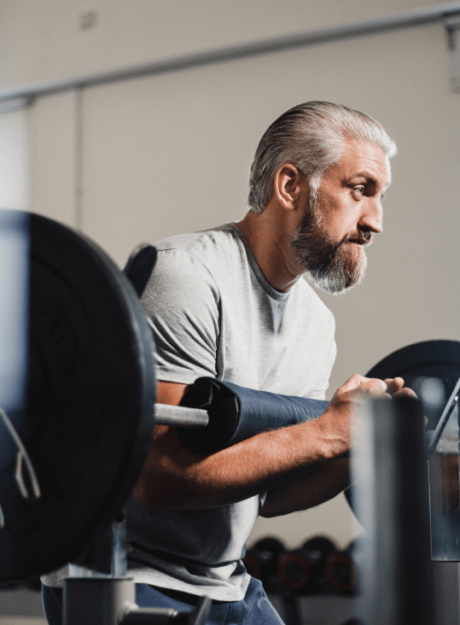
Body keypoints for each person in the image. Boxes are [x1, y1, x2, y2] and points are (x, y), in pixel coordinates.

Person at [42, 101, 409, 624]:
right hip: (127, 580)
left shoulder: (316, 324)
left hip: (224, 580)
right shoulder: (187, 277)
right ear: (290, 186)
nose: (375, 221)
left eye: (379, 197)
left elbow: (270, 494)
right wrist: (327, 432)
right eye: (360, 189)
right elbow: (157, 480)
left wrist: (360, 444)